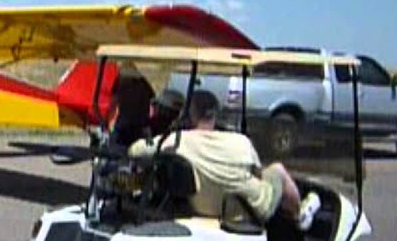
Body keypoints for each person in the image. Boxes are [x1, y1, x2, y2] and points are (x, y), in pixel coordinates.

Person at [129, 89, 320, 230]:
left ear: (191, 114)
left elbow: (135, 150)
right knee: (277, 169)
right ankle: (298, 215)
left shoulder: (177, 141)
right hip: (246, 210)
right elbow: (258, 174)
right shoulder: (241, 142)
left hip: (204, 206)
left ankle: (295, 214)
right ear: (215, 114)